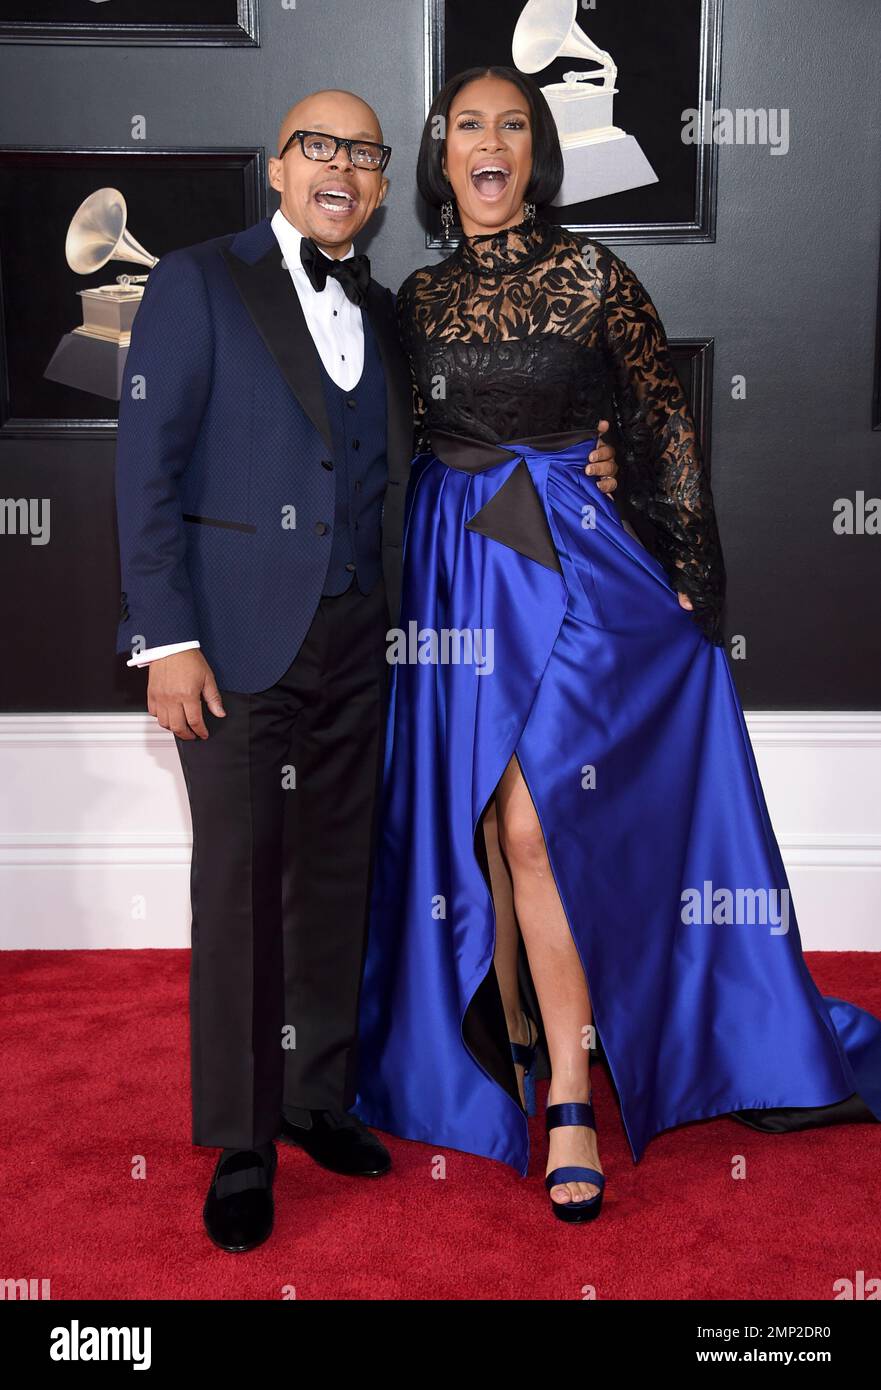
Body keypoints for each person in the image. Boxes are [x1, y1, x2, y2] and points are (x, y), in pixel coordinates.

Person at [353, 66, 881, 1223]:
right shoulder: (411, 299)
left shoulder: (596, 277)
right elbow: (384, 442)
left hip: (568, 561)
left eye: (512, 126)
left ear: (533, 154)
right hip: (452, 565)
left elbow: (658, 434)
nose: (488, 143)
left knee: (537, 823)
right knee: (485, 823)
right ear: (442, 160)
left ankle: (573, 1098)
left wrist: (689, 581)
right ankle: (517, 1032)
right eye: (467, 127)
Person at [114, 87, 621, 1251]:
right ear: (280, 166)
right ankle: (242, 1143)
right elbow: (148, 465)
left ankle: (313, 1096)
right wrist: (165, 638)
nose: (342, 169)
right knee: (242, 889)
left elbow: (468, 434)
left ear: (388, 187)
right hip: (233, 646)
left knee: (340, 878)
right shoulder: (199, 278)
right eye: (318, 147)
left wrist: (580, 453)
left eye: (366, 155)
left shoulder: (391, 312)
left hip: (365, 639)